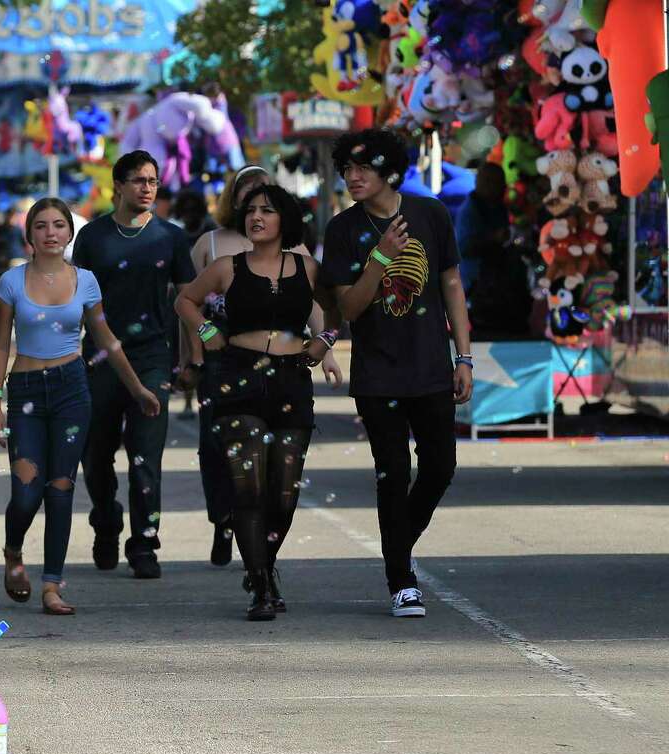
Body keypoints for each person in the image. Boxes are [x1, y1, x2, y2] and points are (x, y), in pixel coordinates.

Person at [319, 128, 473, 618]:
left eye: (363, 167)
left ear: (390, 171)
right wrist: (381, 256)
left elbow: (451, 284)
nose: (353, 176)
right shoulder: (342, 229)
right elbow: (348, 308)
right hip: (377, 373)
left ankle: (398, 542)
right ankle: (401, 580)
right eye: (347, 169)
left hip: (431, 368)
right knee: (392, 473)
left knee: (440, 467)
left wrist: (464, 357)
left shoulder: (430, 214)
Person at [176, 184, 342, 620]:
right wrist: (206, 331)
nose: (256, 217)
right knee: (247, 490)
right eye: (251, 211)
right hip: (238, 380)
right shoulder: (227, 267)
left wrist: (325, 340)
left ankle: (262, 565)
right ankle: (262, 585)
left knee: (283, 496)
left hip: (291, 381)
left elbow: (338, 308)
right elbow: (185, 300)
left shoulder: (307, 267)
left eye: (267, 211)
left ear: (285, 219)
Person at [0, 198, 161, 615]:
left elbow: (106, 339)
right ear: (29, 235)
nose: (51, 232)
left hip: (72, 390)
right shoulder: (11, 282)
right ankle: (13, 551)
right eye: (41, 225)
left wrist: (137, 388)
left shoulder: (85, 281)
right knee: (26, 493)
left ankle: (51, 585)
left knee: (61, 488)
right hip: (26, 391)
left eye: (59, 225)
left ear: (69, 233)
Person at [72, 150, 194, 579]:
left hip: (151, 358)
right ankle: (106, 521)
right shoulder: (92, 237)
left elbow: (188, 302)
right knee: (95, 455)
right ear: (119, 186)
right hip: (99, 358)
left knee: (146, 458)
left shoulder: (171, 237)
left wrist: (190, 359)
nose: (147, 188)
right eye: (139, 180)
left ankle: (144, 543)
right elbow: (75, 301)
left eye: (153, 181)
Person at [455, 161, 509, 299]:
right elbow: (463, 248)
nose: (503, 188)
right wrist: (493, 237)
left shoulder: (496, 206)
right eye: (498, 183)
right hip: (476, 284)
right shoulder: (470, 212)